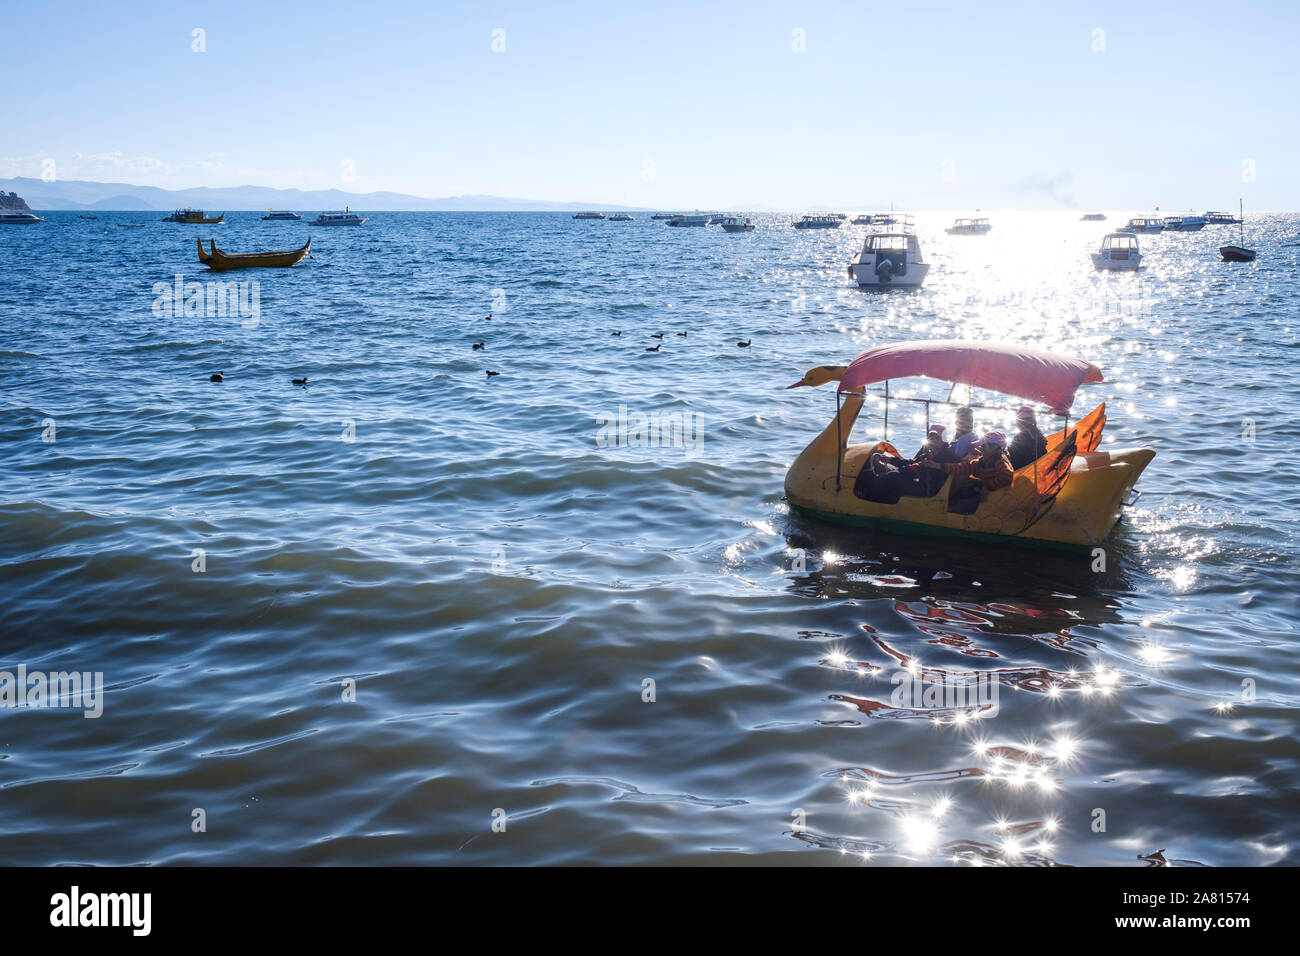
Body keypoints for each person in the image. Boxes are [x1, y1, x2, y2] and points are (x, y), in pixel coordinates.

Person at [923, 431, 1015, 515]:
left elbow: (1006, 477)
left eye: (983, 446)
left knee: (960, 506)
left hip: (993, 496)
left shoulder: (1000, 462)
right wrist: (939, 466)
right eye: (980, 446)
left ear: (996, 449)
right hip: (982, 490)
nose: (981, 449)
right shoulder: (982, 461)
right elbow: (963, 468)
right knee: (961, 493)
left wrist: (987, 487)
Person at [1007, 405, 1048, 470]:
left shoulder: (1021, 438)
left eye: (1026, 420)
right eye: (1021, 420)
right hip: (1034, 467)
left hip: (1024, 469)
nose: (1023, 423)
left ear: (1033, 421)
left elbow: (1013, 456)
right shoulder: (1038, 435)